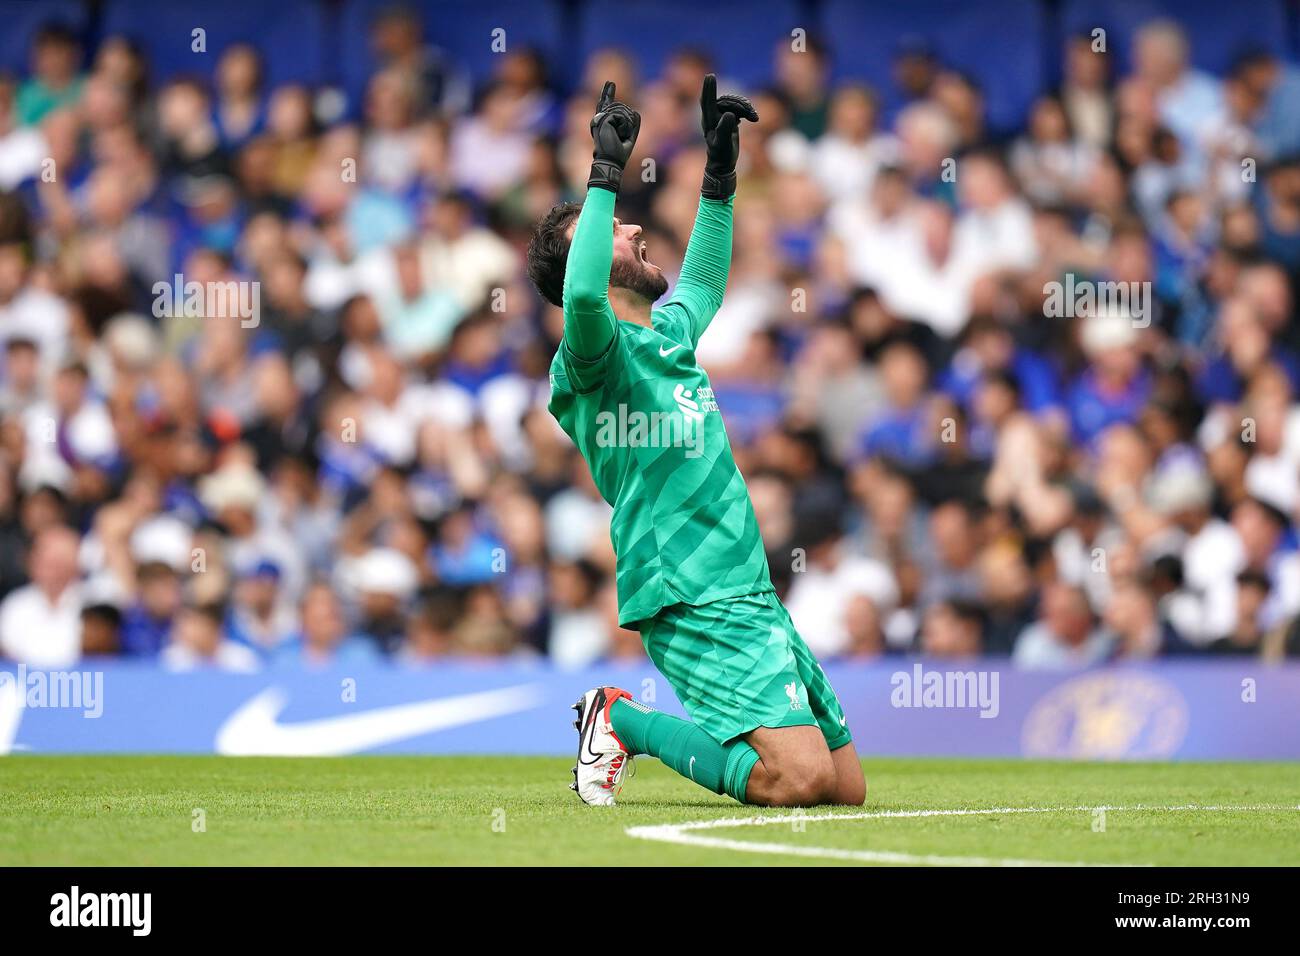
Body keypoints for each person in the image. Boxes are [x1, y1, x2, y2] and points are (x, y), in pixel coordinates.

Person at [526, 78, 865, 808]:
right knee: (797, 781)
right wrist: (604, 174)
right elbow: (584, 296)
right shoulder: (594, 358)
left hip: (747, 583)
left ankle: (629, 720)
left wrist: (719, 178)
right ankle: (620, 719)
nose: (635, 229)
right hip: (688, 586)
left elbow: (706, 282)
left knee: (844, 789)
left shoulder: (668, 336)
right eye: (614, 229)